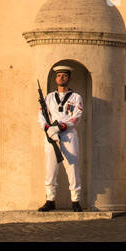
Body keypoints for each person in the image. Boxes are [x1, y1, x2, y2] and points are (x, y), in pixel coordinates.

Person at [38, 64, 84, 212]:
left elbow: (77, 116)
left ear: (69, 78)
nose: (61, 78)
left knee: (72, 167)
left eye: (64, 75)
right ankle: (50, 200)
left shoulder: (76, 97)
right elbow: (41, 117)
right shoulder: (49, 97)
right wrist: (48, 129)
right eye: (58, 76)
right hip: (51, 136)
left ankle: (75, 200)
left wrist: (60, 127)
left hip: (68, 135)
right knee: (50, 168)